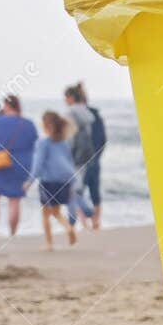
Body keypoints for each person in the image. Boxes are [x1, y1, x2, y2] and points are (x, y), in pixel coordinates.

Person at [0, 94, 38, 238]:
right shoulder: (29, 123)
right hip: (22, 166)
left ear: (7, 106)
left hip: (1, 165)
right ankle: (12, 234)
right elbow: (34, 142)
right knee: (14, 200)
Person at [32, 112, 80, 250]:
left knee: (46, 214)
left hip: (48, 182)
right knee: (56, 212)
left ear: (46, 125)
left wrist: (30, 180)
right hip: (64, 181)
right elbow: (70, 162)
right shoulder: (64, 143)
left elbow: (39, 164)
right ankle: (68, 227)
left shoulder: (43, 143)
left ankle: (49, 244)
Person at [67, 84, 104, 228]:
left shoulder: (72, 114)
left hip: (79, 159)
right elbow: (102, 139)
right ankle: (94, 222)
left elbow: (70, 140)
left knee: (79, 190)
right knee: (94, 191)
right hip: (92, 158)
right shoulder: (94, 115)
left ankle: (85, 224)